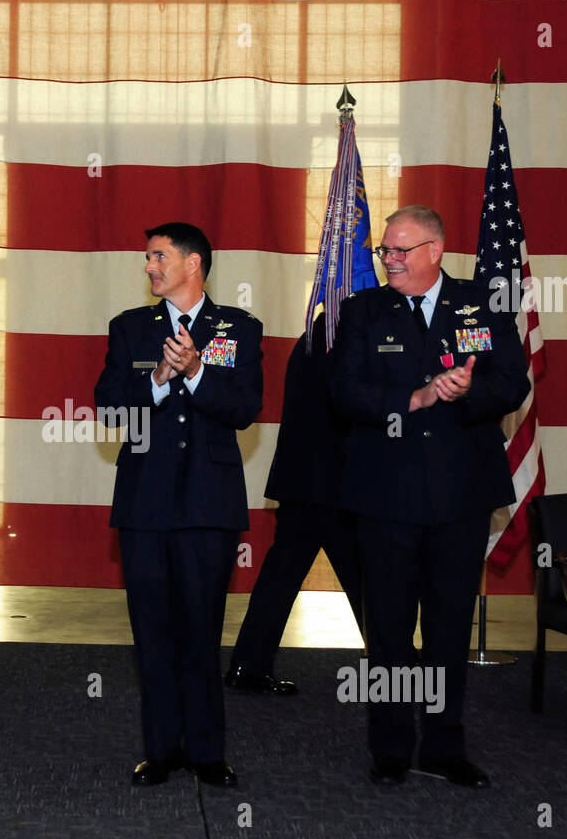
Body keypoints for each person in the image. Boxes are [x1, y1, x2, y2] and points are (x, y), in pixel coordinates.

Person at [331, 205, 528, 788]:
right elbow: (344, 392)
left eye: (401, 250)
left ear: (436, 252)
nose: (389, 259)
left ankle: (444, 746)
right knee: (389, 630)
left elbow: (513, 383)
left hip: (459, 496)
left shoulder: (483, 305)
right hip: (385, 495)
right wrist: (411, 400)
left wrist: (470, 390)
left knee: (448, 629)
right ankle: (391, 746)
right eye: (384, 251)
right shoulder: (363, 310)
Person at [94, 222, 263, 787]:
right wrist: (161, 381)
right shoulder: (130, 329)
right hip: (145, 503)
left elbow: (244, 408)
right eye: (147, 258)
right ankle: (161, 750)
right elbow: (111, 411)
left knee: (201, 630)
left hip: (208, 504)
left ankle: (208, 751)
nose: (148, 266)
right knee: (153, 633)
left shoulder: (238, 328)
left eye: (158, 256)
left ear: (193, 263)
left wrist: (196, 372)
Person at [226, 315, 365, 696]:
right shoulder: (340, 338)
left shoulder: (314, 336)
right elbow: (350, 408)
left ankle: (249, 665)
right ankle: (396, 669)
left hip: (304, 480)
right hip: (334, 483)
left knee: (282, 576)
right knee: (368, 577)